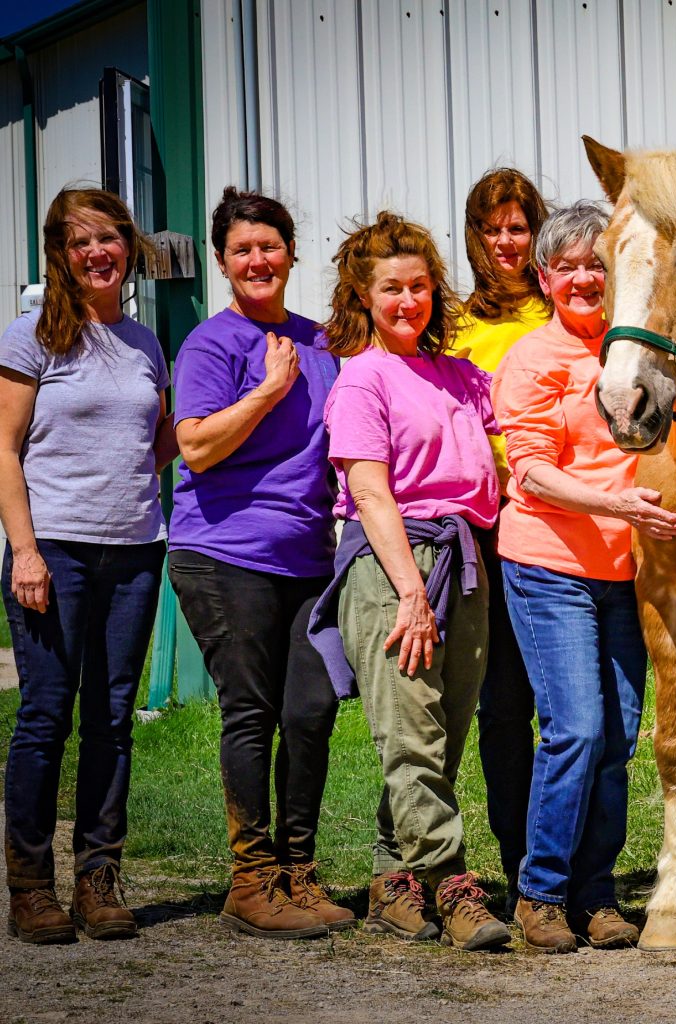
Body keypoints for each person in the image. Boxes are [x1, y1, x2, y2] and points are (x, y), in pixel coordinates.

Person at [307, 212, 510, 952]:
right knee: (411, 739)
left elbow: (519, 432)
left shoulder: (458, 373)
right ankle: (453, 883)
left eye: (421, 285)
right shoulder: (363, 376)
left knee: (441, 735)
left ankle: (393, 883)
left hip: (465, 561)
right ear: (364, 294)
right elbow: (369, 491)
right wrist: (411, 593)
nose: (409, 300)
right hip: (395, 564)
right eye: (392, 287)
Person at [494, 200, 676, 954]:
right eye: (565, 267)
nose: (582, 278)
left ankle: (597, 894)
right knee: (575, 730)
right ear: (543, 277)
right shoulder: (534, 359)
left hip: (624, 570)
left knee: (618, 739)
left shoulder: (633, 351)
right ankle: (540, 892)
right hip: (551, 565)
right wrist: (615, 503)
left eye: (594, 264)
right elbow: (532, 472)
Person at [167, 187, 348, 940]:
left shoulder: (324, 341)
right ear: (221, 261)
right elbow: (197, 446)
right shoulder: (214, 344)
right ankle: (251, 879)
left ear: (290, 252)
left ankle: (299, 872)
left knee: (311, 711)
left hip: (307, 556)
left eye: (269, 246)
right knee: (253, 712)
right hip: (223, 552)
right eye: (242, 249)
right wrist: (271, 391)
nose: (257, 260)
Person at [1, 188, 176, 943]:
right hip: (57, 551)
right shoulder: (30, 338)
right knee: (45, 716)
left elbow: (160, 443)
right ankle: (30, 885)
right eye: (80, 242)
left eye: (109, 238)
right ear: (60, 255)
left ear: (128, 249)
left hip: (135, 551)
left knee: (111, 720)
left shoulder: (145, 344)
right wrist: (27, 551)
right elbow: (4, 450)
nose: (97, 253)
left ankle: (98, 877)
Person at [448, 167, 551, 900]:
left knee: (574, 710)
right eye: (494, 229)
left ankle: (567, 857)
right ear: (475, 237)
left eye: (519, 227)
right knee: (504, 705)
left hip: (563, 527)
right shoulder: (452, 323)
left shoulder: (571, 310)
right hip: (486, 531)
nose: (507, 242)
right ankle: (520, 860)